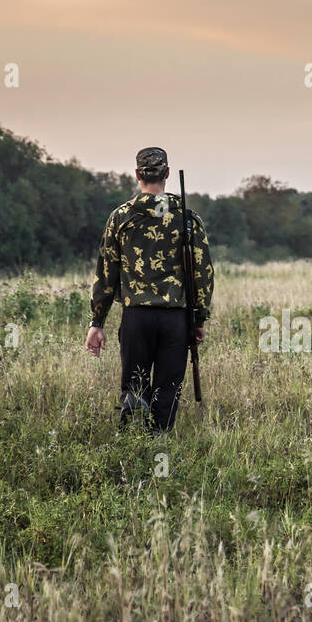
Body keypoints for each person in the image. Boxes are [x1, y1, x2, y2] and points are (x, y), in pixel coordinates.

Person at [85, 146, 213, 432]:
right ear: (167, 174)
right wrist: (199, 319)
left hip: (136, 319)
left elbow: (106, 271)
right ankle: (159, 446)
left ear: (137, 175)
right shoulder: (187, 219)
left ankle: (133, 448)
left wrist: (97, 321)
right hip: (175, 320)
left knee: (134, 387)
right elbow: (203, 273)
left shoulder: (120, 217)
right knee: (167, 391)